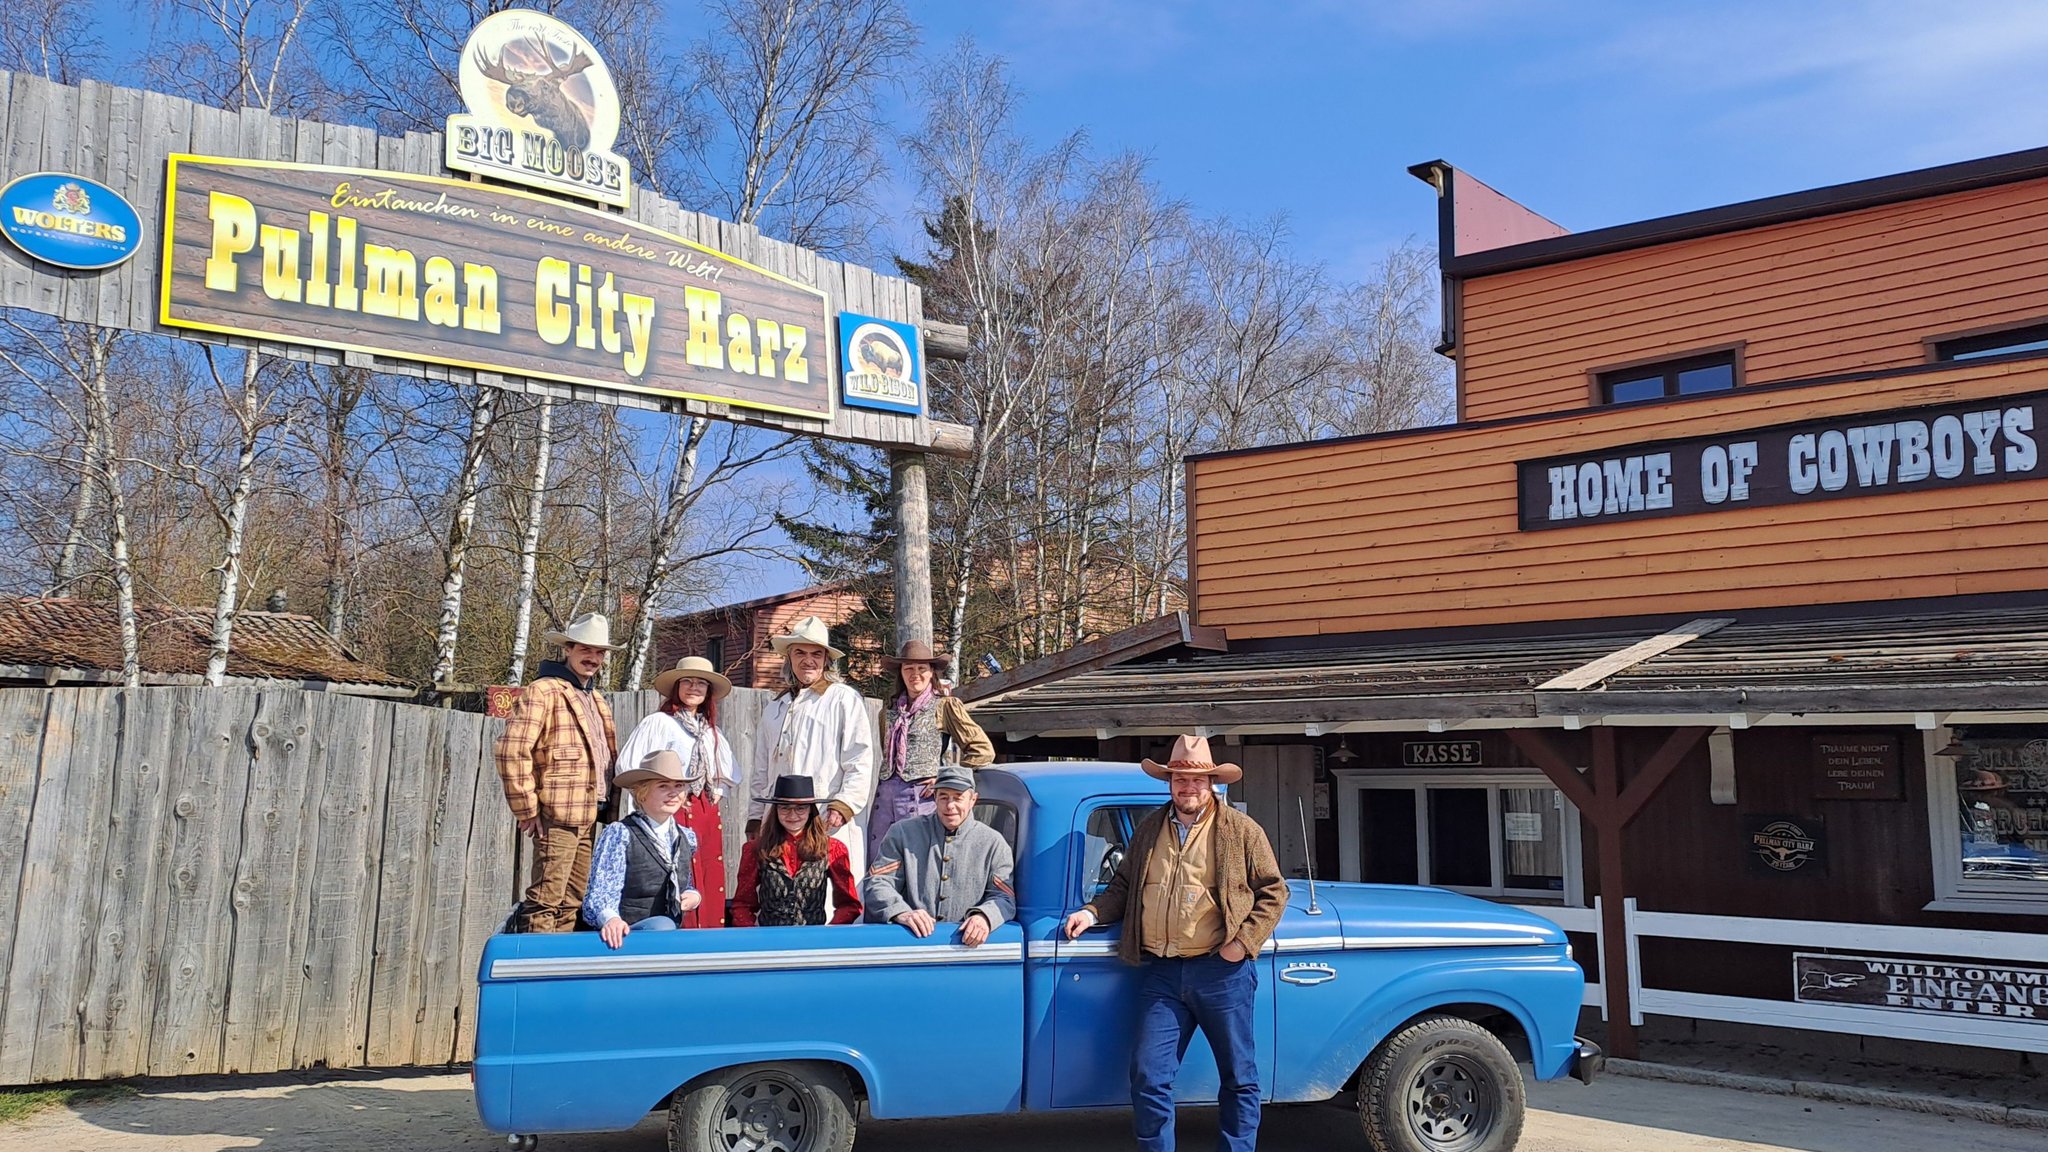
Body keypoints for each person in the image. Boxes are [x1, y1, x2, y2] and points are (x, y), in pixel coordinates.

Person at [1061, 735, 1289, 1152]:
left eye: (1196, 780)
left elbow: (1274, 891)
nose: (1188, 788)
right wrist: (1091, 912)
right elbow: (1124, 886)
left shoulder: (1240, 830)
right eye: (1180, 779)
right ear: (1169, 782)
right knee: (1149, 1074)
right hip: (1163, 973)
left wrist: (1242, 943)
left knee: (1239, 1075)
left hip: (1222, 971)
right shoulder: (1149, 830)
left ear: (1212, 784)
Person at [495, 612, 620, 934]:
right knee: (545, 899)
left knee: (573, 900)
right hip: (557, 814)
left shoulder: (596, 698)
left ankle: (558, 973)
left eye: (599, 652)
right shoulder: (543, 691)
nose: (593, 658)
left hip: (591, 814)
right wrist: (527, 808)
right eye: (585, 650)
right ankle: (534, 974)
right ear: (568, 649)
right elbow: (512, 749)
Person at [749, 616, 874, 887]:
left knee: (829, 894)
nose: (808, 660)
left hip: (826, 815)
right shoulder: (775, 707)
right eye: (800, 653)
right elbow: (761, 769)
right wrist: (756, 815)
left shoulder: (842, 699)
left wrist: (844, 804)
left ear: (826, 660)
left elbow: (859, 759)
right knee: (779, 891)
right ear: (789, 658)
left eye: (816, 654)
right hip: (779, 822)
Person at [615, 655, 736, 927]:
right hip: (671, 811)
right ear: (677, 687)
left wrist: (715, 791)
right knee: (679, 872)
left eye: (701, 683)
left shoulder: (710, 731)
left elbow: (723, 773)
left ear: (708, 692)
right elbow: (631, 767)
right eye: (688, 682)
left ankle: (709, 938)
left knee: (707, 873)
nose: (694, 688)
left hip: (704, 811)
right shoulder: (659, 722)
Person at [863, 764, 1013, 946]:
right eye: (943, 797)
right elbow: (877, 882)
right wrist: (901, 912)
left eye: (958, 798)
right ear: (934, 797)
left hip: (968, 951)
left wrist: (984, 917)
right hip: (912, 946)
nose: (950, 806)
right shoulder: (903, 833)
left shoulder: (993, 843)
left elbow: (1004, 897)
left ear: (973, 800)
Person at [870, 640, 995, 849]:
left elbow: (982, 749)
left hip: (923, 799)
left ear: (931, 673)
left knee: (918, 859)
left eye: (922, 669)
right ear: (901, 673)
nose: (915, 674)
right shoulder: (888, 712)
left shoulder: (944, 706)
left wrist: (946, 778)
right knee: (881, 861)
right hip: (885, 800)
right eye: (908, 668)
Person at [582, 750, 701, 947]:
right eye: (663, 786)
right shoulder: (620, 834)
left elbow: (684, 884)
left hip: (668, 943)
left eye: (678, 786)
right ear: (642, 793)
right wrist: (611, 920)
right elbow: (599, 896)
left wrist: (694, 896)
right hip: (624, 942)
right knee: (663, 925)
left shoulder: (687, 837)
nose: (673, 793)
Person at [731, 775, 862, 927]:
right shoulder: (755, 848)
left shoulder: (833, 848)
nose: (792, 815)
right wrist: (752, 938)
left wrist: (829, 933)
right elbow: (743, 903)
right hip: (769, 941)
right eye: (785, 808)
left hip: (814, 942)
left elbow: (849, 905)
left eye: (800, 808)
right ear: (776, 810)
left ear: (810, 811)